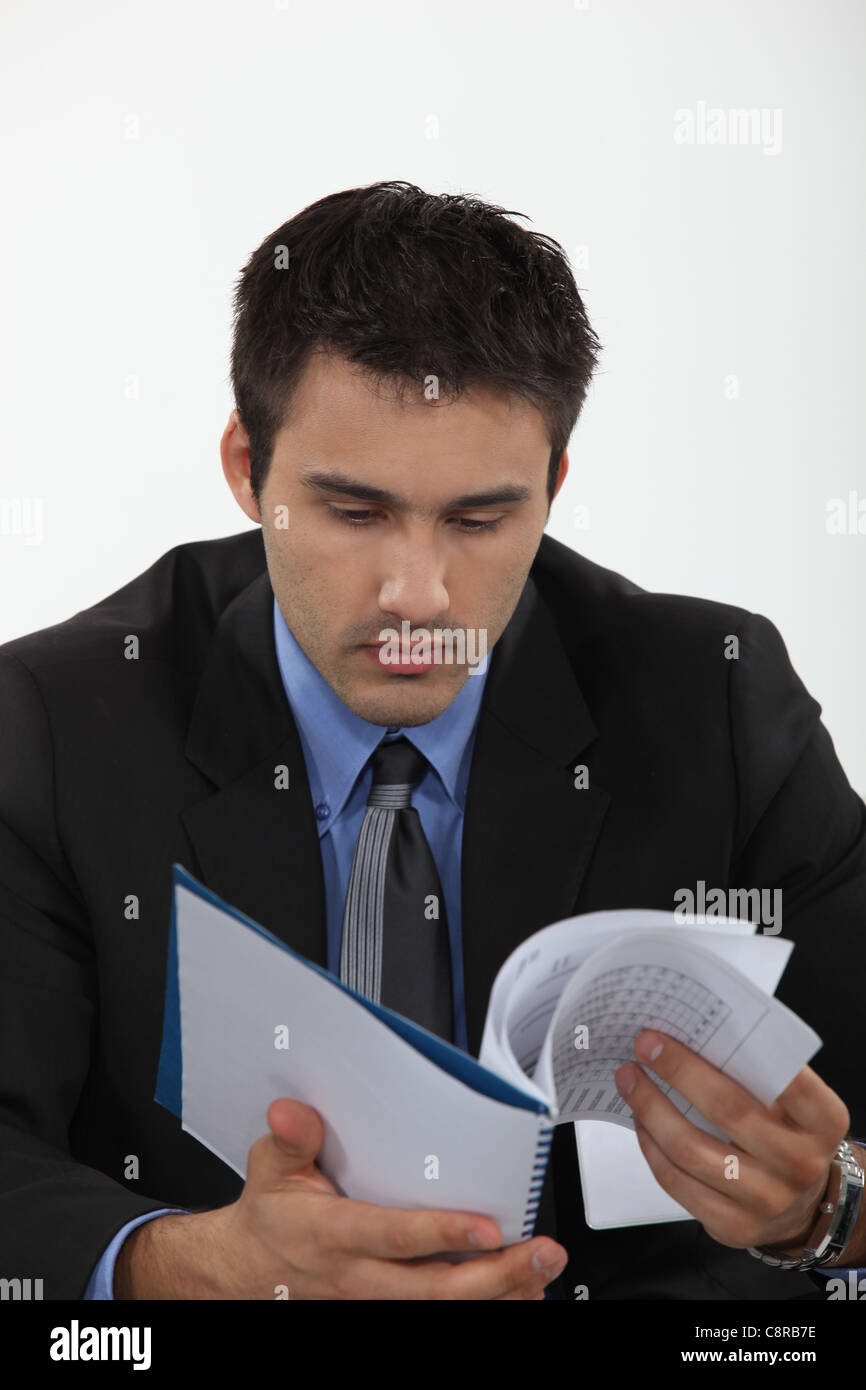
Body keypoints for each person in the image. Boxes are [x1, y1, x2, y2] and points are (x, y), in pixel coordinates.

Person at [0, 181, 863, 1302]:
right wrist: (188, 1268)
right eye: (354, 514)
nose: (419, 594)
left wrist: (824, 1211)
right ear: (244, 471)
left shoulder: (718, 699)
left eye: (477, 518)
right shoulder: (53, 721)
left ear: (553, 487)